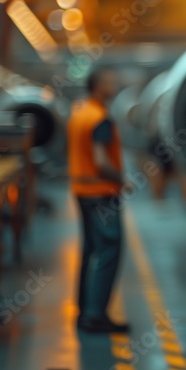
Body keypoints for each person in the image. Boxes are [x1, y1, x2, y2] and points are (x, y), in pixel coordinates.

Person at [68, 68, 130, 333]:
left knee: (90, 250)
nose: (114, 84)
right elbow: (101, 161)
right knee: (109, 250)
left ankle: (84, 310)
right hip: (101, 193)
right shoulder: (100, 118)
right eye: (109, 81)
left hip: (82, 190)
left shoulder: (79, 114)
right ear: (97, 86)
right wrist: (122, 180)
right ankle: (95, 315)